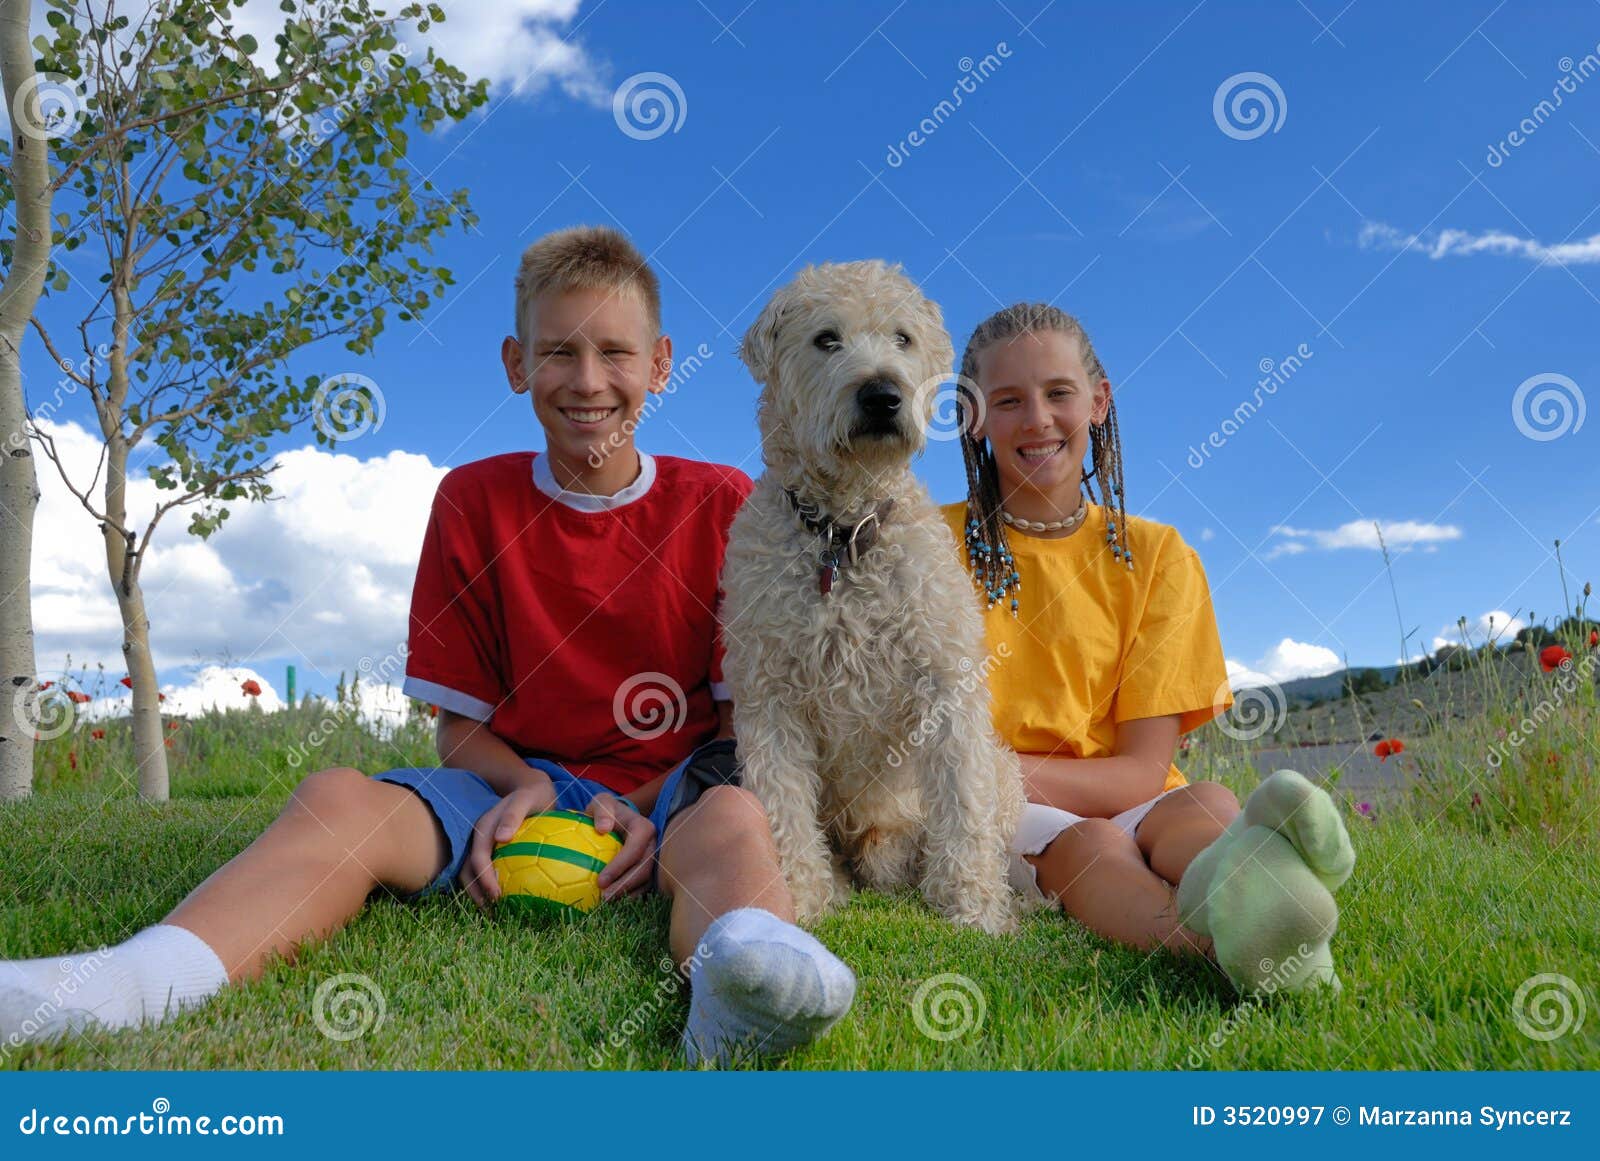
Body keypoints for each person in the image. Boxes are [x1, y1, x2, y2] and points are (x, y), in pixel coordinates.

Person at [1, 226, 855, 1063]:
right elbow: (459, 726)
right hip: (509, 790)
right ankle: (127, 984)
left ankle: (738, 986)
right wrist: (522, 785)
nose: (588, 379)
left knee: (739, 816)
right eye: (557, 351)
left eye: (615, 353)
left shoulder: (722, 499)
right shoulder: (471, 501)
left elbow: (743, 724)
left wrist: (646, 801)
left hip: (677, 793)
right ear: (516, 364)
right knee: (336, 794)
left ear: (661, 364)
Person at [940, 303, 1355, 994]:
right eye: (1008, 401)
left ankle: (1263, 876)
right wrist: (973, 775)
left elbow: (1140, 771)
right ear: (973, 419)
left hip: (1101, 784)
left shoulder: (1158, 555)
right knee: (1096, 846)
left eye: (1058, 393)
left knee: (1208, 804)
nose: (1037, 419)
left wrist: (984, 764)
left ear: (1098, 402)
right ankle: (1229, 947)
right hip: (993, 804)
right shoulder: (926, 547)